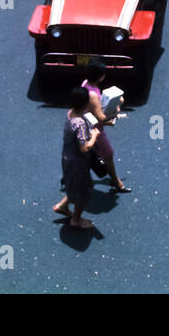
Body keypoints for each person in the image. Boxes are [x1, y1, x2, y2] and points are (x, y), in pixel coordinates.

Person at [54, 86, 99, 230]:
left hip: (68, 156)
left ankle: (63, 206)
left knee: (75, 185)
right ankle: (76, 220)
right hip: (78, 162)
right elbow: (84, 147)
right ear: (86, 104)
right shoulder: (80, 124)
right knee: (83, 191)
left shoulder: (70, 113)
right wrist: (94, 136)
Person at [81, 59, 128, 192]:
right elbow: (101, 118)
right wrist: (118, 108)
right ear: (101, 76)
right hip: (94, 129)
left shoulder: (85, 83)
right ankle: (116, 182)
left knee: (90, 153)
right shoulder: (93, 95)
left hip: (86, 124)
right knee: (108, 154)